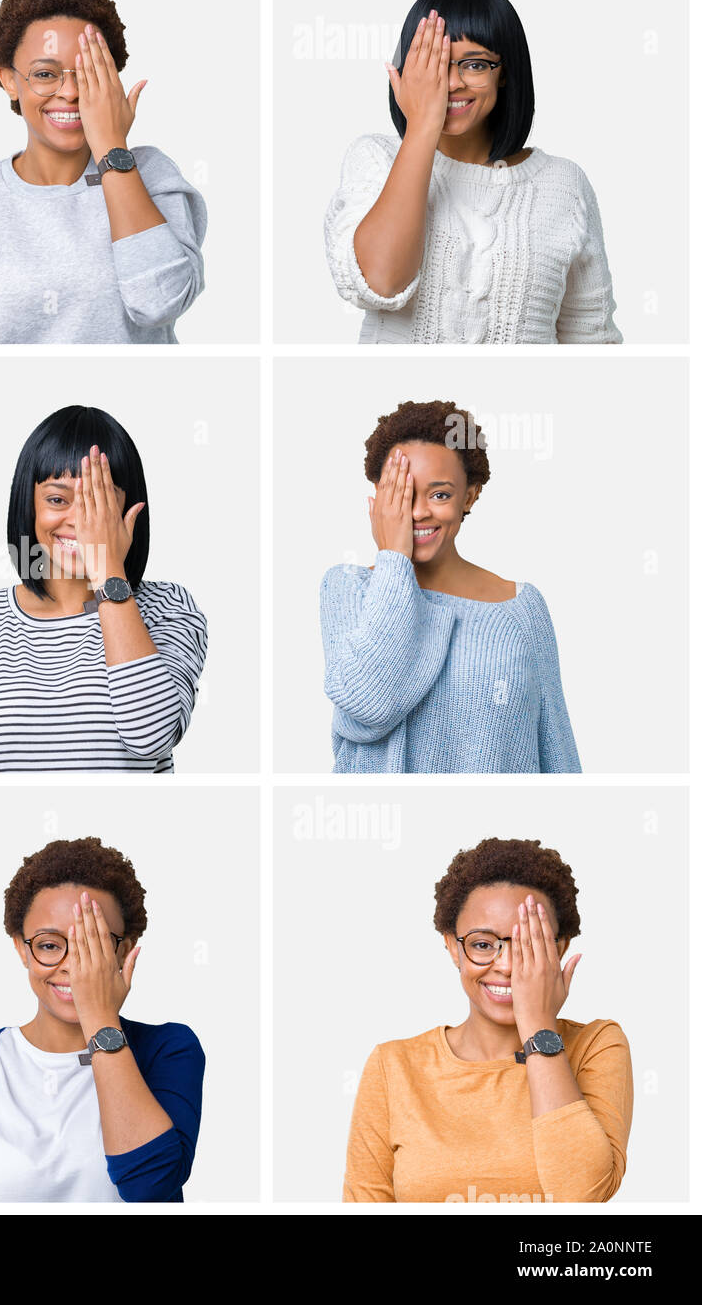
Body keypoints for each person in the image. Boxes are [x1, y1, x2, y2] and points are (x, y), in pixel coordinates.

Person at [323, 0, 620, 343]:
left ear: (505, 72)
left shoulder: (564, 184)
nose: (451, 83)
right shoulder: (375, 159)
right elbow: (381, 284)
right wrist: (422, 126)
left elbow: (591, 337)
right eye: (434, 64)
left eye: (475, 64)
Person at [0, 0, 206, 344]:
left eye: (86, 75)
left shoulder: (151, 174)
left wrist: (112, 147)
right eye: (45, 74)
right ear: (9, 80)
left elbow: (159, 302)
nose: (68, 92)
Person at [0, 836, 204, 1202]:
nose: (72, 966)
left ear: (125, 951)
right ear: (22, 948)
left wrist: (100, 1018)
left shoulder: (170, 1050)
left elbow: (150, 1186)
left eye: (93, 945)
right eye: (50, 945)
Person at [344, 837, 631, 1202]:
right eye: (483, 944)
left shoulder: (598, 1045)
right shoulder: (392, 1066)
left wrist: (539, 1026)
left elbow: (583, 1196)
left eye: (530, 943)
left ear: (560, 947)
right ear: (452, 947)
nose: (508, 965)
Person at [0, 405, 207, 772]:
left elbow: (151, 737)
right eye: (58, 500)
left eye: (98, 501)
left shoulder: (167, 607)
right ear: (28, 505)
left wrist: (108, 570)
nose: (79, 521)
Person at [319, 399, 579, 773]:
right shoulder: (347, 588)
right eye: (403, 494)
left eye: (439, 494)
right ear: (379, 497)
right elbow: (367, 702)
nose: (419, 511)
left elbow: (557, 750)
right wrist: (394, 557)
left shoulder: (522, 607)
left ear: (469, 496)